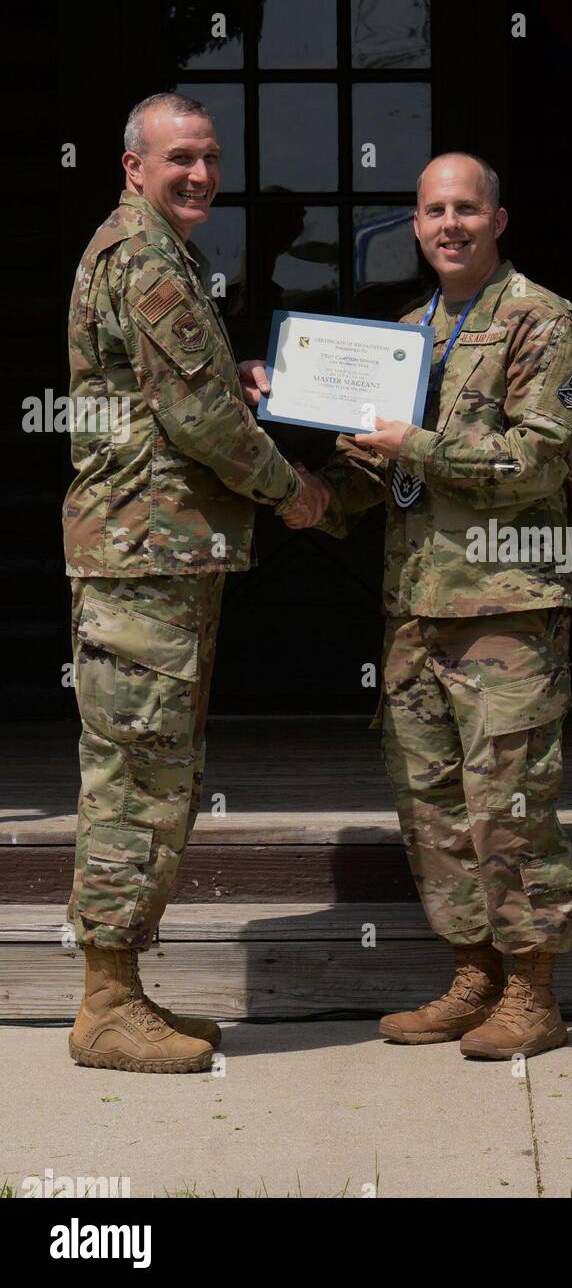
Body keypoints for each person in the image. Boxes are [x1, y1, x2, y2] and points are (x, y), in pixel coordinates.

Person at [250, 152, 572, 1059]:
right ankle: (473, 973)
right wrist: (294, 460)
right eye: (435, 211)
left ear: (498, 218)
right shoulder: (404, 335)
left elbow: (539, 462)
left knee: (509, 805)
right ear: (415, 224)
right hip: (414, 607)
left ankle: (532, 992)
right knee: (434, 807)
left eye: (467, 210)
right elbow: (369, 475)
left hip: (502, 609)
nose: (450, 225)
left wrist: (421, 444)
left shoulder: (542, 323)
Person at [64, 92, 328, 1073]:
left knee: (152, 775)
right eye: (178, 157)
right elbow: (201, 425)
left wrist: (241, 378)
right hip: (144, 560)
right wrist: (289, 490)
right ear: (133, 165)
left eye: (210, 157)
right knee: (137, 780)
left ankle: (119, 988)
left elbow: (188, 391)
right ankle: (106, 1005)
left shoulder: (148, 254)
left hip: (152, 556)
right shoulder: (146, 260)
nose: (198, 174)